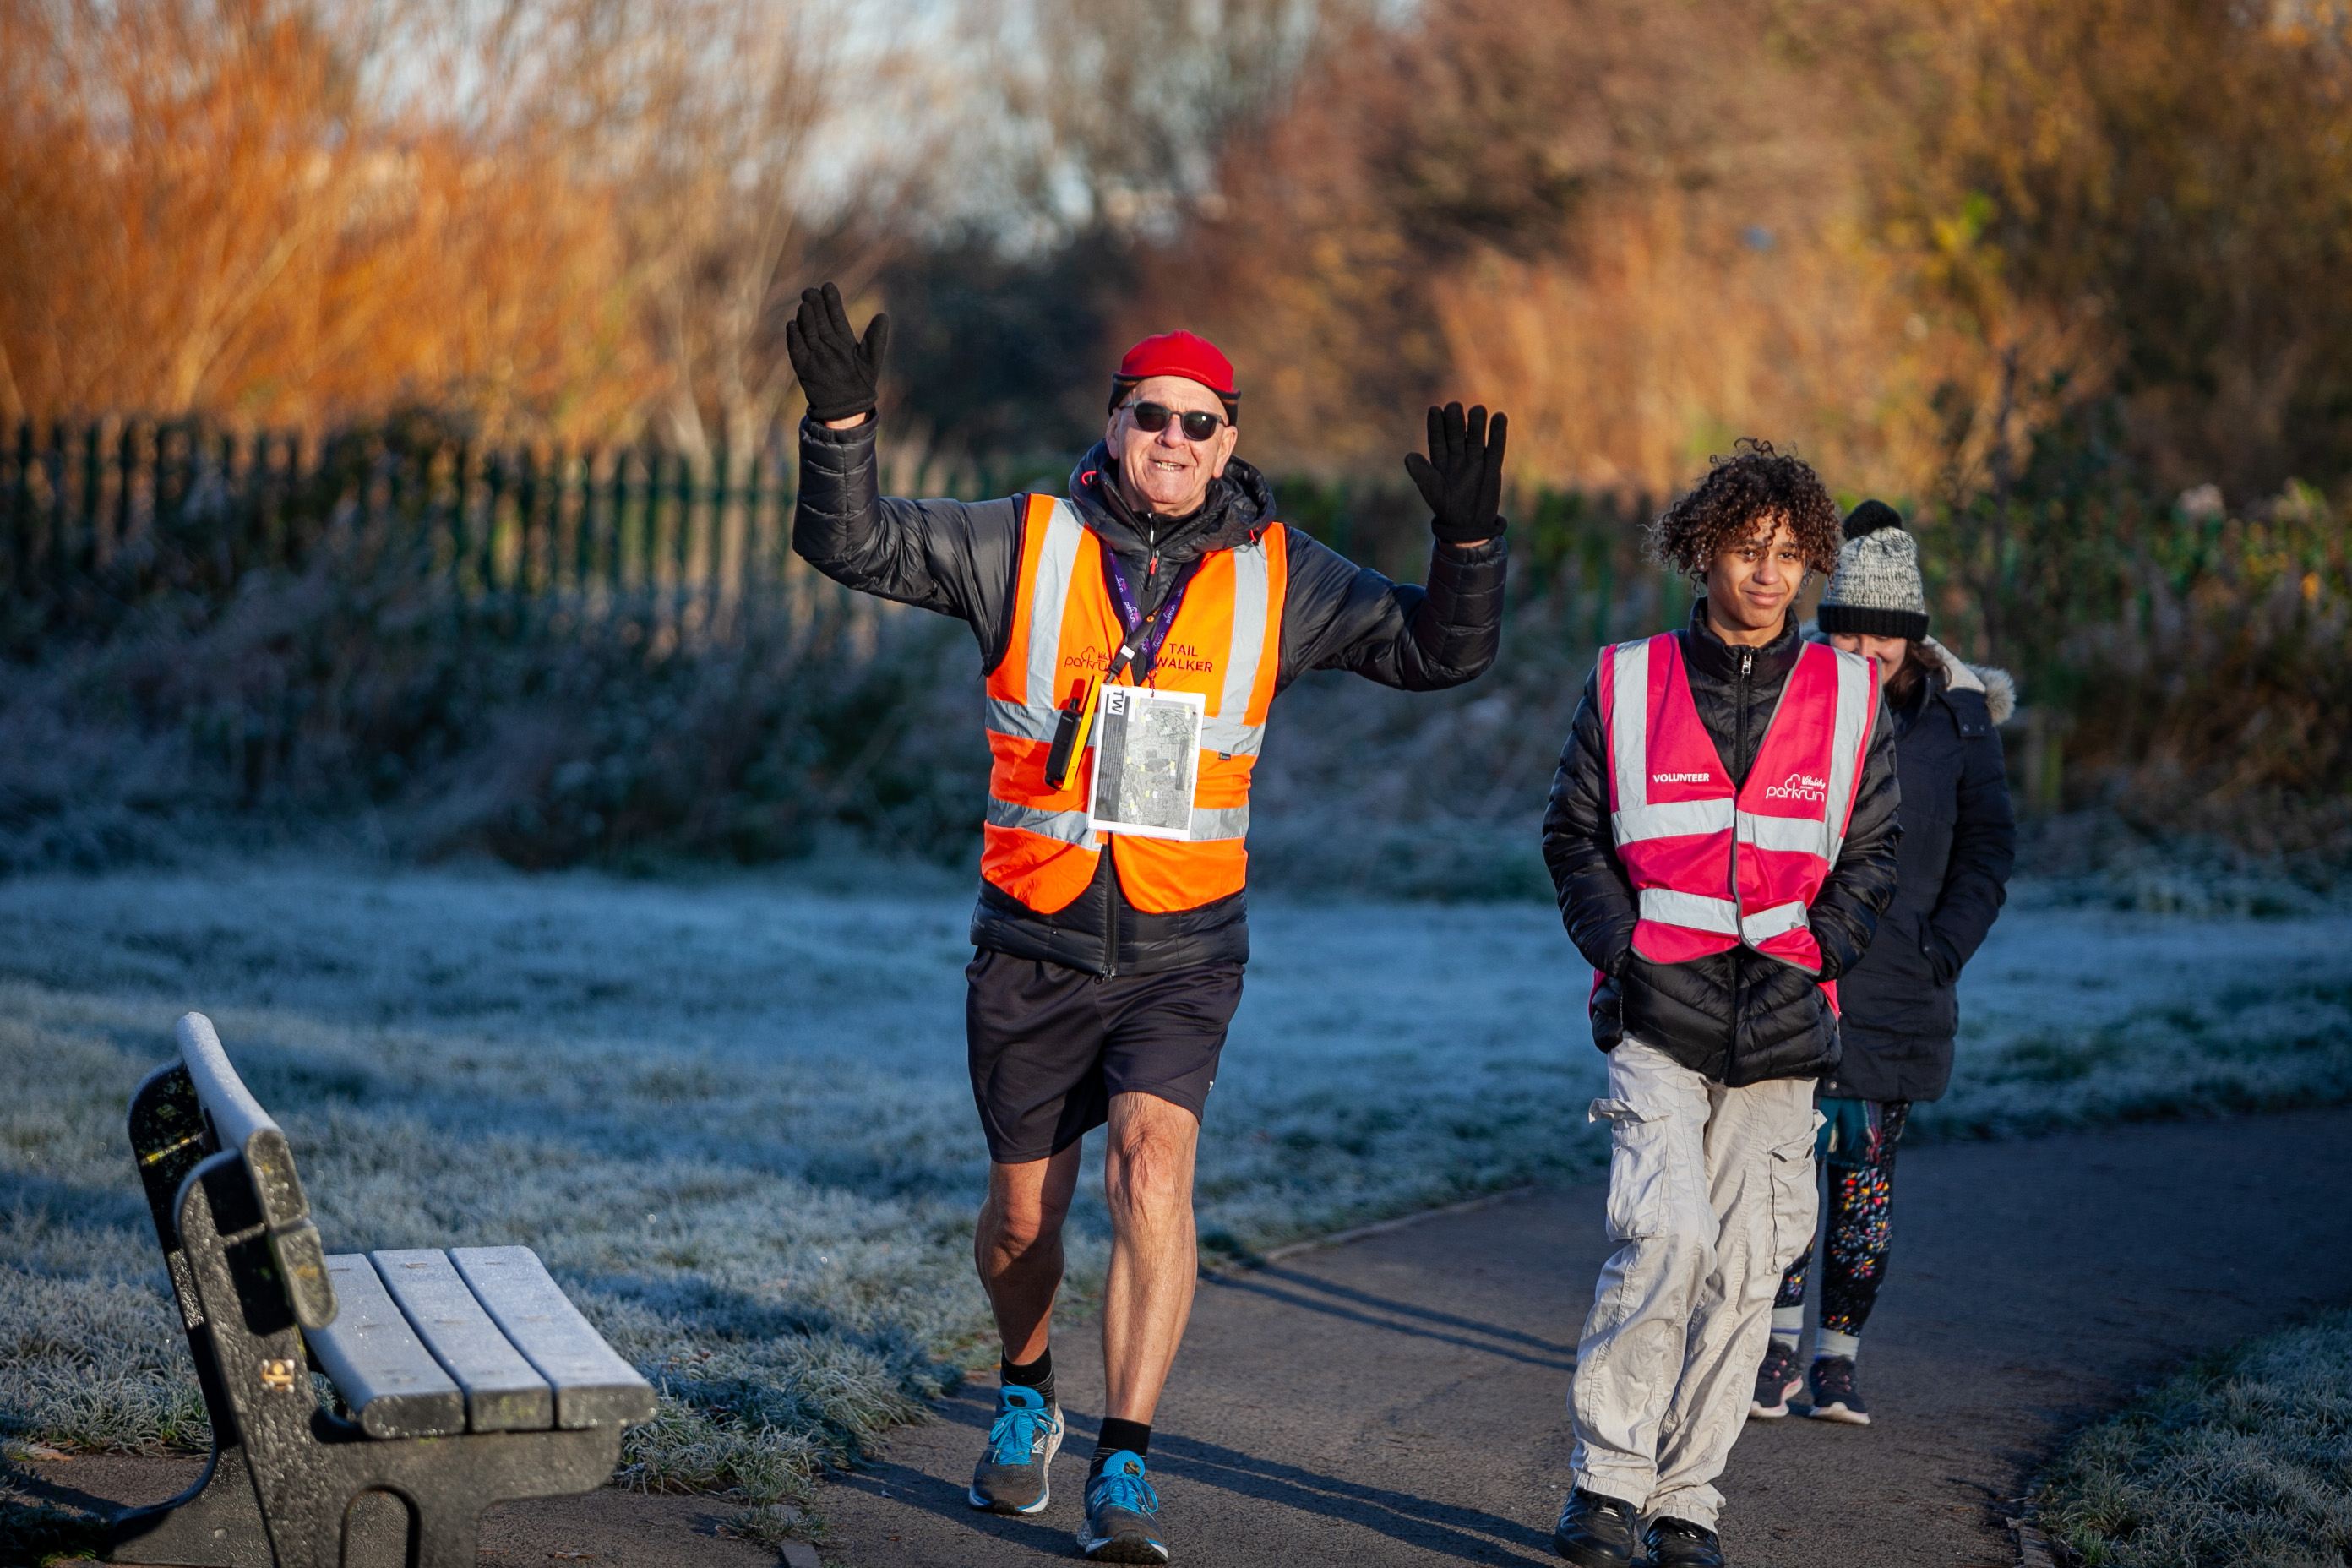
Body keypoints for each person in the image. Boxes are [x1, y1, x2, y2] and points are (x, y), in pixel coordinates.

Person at [782, 282, 1510, 1565]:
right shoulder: (1024, 539)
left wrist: (1467, 548)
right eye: (1151, 415)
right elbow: (856, 546)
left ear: (1232, 442)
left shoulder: (1285, 573)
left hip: (1183, 950)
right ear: (1113, 423)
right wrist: (841, 423)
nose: (1174, 439)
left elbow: (1438, 655)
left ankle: (1128, 1461)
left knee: (1155, 1175)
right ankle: (1024, 1388)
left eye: (1201, 423)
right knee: (1020, 1225)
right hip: (1032, 939)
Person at [1539, 440, 1902, 1568]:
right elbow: (1574, 837)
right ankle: (1606, 1483)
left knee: (1749, 1265)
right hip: (1658, 1013)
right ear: (1703, 552)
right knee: (1665, 1237)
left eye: (1792, 556)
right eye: (1749, 550)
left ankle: (1688, 1500)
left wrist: (1824, 949)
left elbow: (1873, 852)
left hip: (1788, 1025)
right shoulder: (1624, 680)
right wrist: (1626, 951)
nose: (1769, 574)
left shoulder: (1852, 695)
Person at [1750, 500, 2016, 1427]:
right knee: (1782, 1174)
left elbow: (1989, 847)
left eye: (1884, 638)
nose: (1865, 652)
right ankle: (1773, 1348)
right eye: (1849, 632)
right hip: (1801, 977)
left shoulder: (1960, 718)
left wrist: (1943, 947)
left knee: (1864, 1180)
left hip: (1903, 984)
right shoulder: (1800, 696)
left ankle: (1838, 1359)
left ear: (1913, 635)